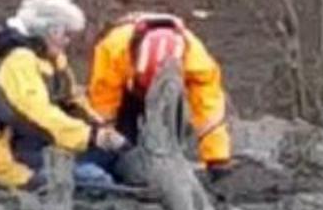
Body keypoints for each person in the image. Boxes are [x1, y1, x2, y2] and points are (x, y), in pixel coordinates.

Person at [0, 0, 128, 191]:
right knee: (97, 182)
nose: (68, 40)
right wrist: (90, 137)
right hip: (16, 158)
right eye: (66, 33)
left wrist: (101, 129)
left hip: (49, 146)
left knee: (114, 157)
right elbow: (39, 115)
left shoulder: (55, 59)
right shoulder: (19, 62)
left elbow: (73, 101)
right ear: (50, 31)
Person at [85, 11, 233, 184]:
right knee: (121, 139)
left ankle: (167, 163)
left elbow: (209, 113)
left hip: (170, 94)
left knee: (169, 138)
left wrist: (217, 159)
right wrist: (108, 137)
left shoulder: (197, 62)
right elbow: (103, 103)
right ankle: (116, 170)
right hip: (126, 90)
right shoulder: (114, 49)